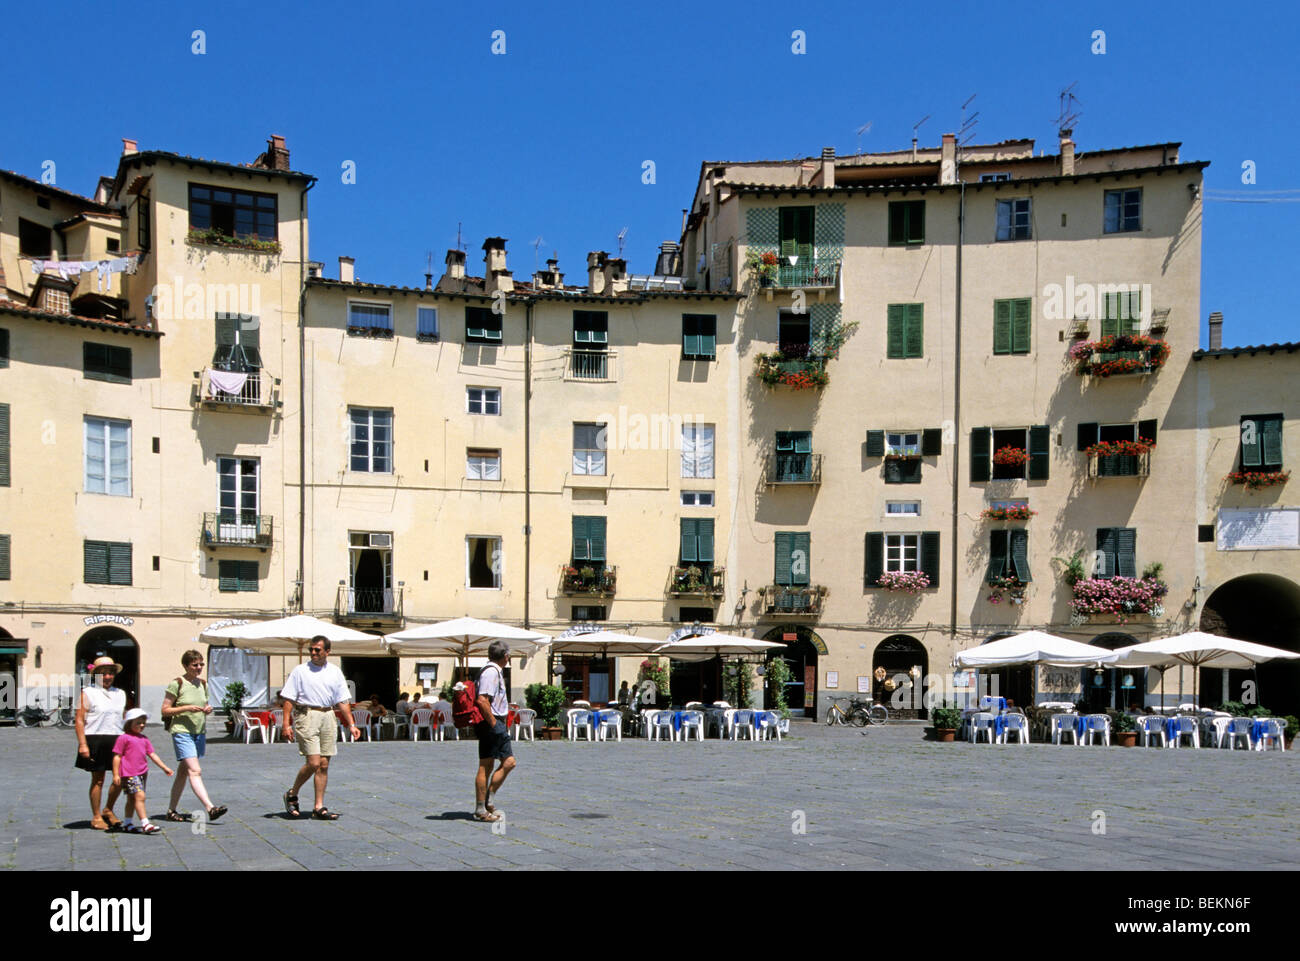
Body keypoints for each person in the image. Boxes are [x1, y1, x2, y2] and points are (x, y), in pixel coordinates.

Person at [280, 636, 359, 821]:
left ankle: (318, 806)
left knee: (324, 764)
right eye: (311, 650)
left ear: (327, 652)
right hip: (307, 715)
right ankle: (292, 793)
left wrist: (352, 724)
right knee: (313, 763)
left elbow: (342, 700)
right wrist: (285, 724)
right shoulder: (300, 671)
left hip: (328, 715)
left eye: (317, 650)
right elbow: (289, 699)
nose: (313, 653)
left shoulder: (335, 672)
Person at [160, 650, 227, 823]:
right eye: (195, 665)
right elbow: (165, 710)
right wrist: (185, 708)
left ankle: (171, 810)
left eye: (201, 664)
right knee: (195, 770)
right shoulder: (177, 683)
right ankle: (210, 808)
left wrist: (207, 708)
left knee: (183, 773)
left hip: (199, 732)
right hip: (182, 731)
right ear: (186, 666)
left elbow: (204, 703)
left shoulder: (203, 684)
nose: (199, 668)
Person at [74, 656, 127, 831]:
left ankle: (108, 809)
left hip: (117, 738)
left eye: (110, 673)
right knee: (98, 780)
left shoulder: (120, 694)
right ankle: (96, 816)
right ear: (95, 675)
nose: (107, 677)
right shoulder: (87, 693)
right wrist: (83, 744)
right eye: (103, 673)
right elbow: (80, 720)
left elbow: (122, 718)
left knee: (121, 778)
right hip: (95, 738)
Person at [112, 708, 174, 834]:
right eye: (138, 723)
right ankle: (145, 823)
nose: (142, 725)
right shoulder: (124, 738)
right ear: (129, 723)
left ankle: (127, 823)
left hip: (141, 772)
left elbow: (152, 754)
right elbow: (117, 756)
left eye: (143, 723)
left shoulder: (144, 739)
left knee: (132, 799)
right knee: (140, 796)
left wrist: (164, 767)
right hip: (129, 773)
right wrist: (116, 774)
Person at [472, 640, 515, 822]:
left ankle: (487, 801)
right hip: (491, 724)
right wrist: (494, 724)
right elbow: (482, 700)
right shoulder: (491, 672)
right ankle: (481, 809)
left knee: (505, 763)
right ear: (505, 656)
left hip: (494, 722)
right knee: (488, 765)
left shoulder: (492, 670)